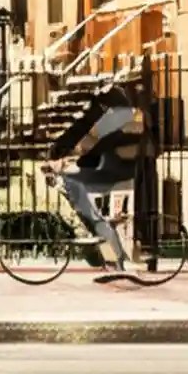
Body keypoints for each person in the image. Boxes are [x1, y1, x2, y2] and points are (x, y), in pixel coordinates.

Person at [42, 79, 158, 271]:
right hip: (119, 166)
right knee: (76, 186)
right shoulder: (125, 112)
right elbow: (87, 135)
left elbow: (91, 140)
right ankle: (108, 243)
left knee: (74, 186)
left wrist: (66, 158)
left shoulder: (120, 114)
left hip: (120, 168)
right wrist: (64, 155)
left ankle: (110, 247)